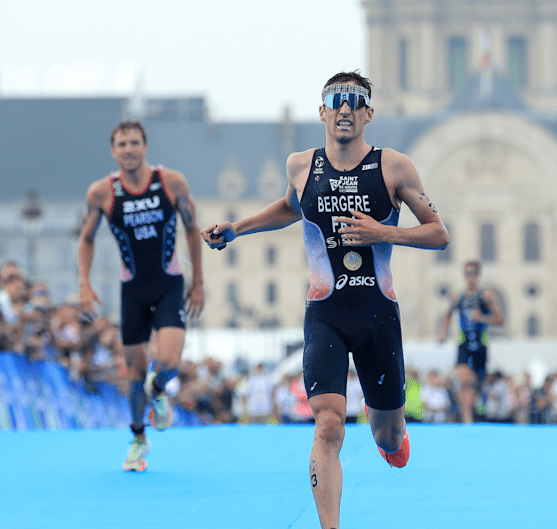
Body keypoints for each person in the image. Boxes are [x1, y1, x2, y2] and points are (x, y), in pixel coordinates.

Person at [201, 71, 449, 529]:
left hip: (377, 314)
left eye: (355, 101)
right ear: (322, 112)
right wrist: (237, 228)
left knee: (389, 439)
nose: (345, 108)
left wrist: (383, 232)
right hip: (325, 313)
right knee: (328, 424)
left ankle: (388, 429)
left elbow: (439, 233)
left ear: (369, 114)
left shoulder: (393, 167)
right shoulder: (301, 165)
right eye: (336, 100)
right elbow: (291, 207)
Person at [77, 120, 205, 472]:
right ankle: (137, 438)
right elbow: (86, 239)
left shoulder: (171, 182)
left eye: (134, 142)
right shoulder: (101, 192)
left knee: (169, 361)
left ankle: (159, 389)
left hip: (169, 283)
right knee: (134, 372)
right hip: (132, 289)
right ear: (113, 151)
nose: (129, 149)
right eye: (122, 144)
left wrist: (198, 281)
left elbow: (192, 229)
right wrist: (84, 284)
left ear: (145, 146)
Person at [438, 260, 504, 424]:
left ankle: (475, 411)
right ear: (464, 275)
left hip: (480, 345)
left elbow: (500, 320)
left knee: (476, 384)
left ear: (478, 275)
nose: (470, 277)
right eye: (468, 273)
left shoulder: (486, 296)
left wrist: (481, 318)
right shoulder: (458, 296)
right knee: (464, 380)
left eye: (473, 273)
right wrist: (443, 333)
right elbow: (448, 315)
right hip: (464, 344)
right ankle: (467, 420)